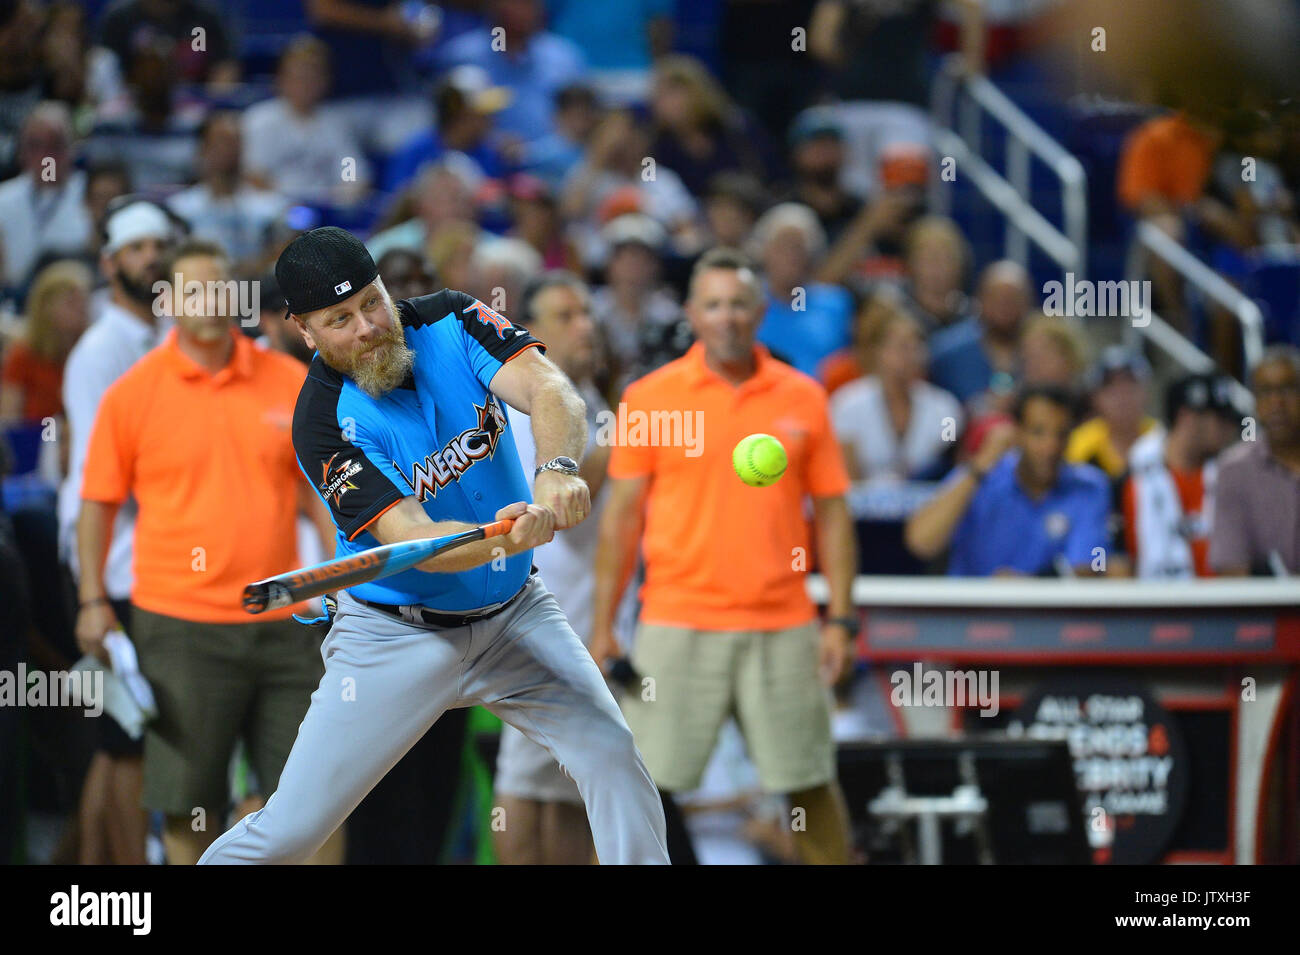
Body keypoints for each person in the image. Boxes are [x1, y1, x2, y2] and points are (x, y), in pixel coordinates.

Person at [197, 226, 668, 864]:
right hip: (395, 636)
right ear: (305, 332)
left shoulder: (449, 317)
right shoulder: (321, 423)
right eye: (339, 319)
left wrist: (556, 468)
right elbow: (419, 543)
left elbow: (548, 388)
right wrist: (503, 536)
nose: (367, 327)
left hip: (515, 616)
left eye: (371, 302)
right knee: (290, 832)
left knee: (611, 752)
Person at [590, 247, 858, 865]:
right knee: (644, 788)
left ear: (760, 311)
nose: (728, 317)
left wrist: (841, 619)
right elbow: (621, 521)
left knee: (810, 783)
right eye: (713, 304)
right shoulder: (651, 397)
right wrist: (605, 628)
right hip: (677, 618)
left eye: (739, 303)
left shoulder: (803, 395)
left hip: (783, 620)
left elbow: (836, 517)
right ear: (692, 313)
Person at [76, 239, 337, 866]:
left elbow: (325, 495)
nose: (213, 300)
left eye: (223, 286)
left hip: (287, 620)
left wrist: (344, 579)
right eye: (195, 289)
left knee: (314, 805)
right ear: (167, 301)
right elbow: (97, 502)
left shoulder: (289, 380)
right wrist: (90, 598)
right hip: (179, 625)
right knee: (189, 804)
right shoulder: (132, 394)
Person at [56, 198, 179, 865]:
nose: (151, 258)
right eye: (136, 249)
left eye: (159, 246)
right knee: (128, 735)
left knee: (120, 732)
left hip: (149, 555)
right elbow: (100, 473)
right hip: (112, 559)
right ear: (109, 264)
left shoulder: (163, 338)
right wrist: (92, 591)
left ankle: (83, 874)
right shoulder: (97, 353)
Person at [493, 272, 606, 864]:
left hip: (591, 616)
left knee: (570, 786)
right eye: (567, 316)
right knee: (521, 776)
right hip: (531, 613)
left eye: (587, 312)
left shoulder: (599, 403)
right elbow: (580, 498)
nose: (586, 326)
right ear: (531, 333)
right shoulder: (519, 409)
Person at [906, 385, 1112, 576]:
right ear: (1017, 432)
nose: (1051, 447)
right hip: (969, 611)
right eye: (1038, 432)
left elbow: (1090, 570)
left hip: (1045, 613)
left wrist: (1028, 589)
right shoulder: (981, 475)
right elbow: (921, 542)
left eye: (1061, 434)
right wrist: (980, 466)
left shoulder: (1088, 487)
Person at [830, 303, 962, 483]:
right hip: (863, 507)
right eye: (902, 347)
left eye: (917, 347)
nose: (911, 355)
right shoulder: (847, 404)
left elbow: (951, 468)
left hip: (932, 505)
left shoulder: (946, 408)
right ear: (878, 352)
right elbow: (847, 478)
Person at [1123, 373, 1238, 579]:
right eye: (1220, 420)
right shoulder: (1131, 478)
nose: (1229, 429)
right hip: (1154, 606)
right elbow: (1119, 563)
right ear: (1187, 418)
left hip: (1222, 605)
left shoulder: (1234, 478)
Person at [241, 37, 372, 207]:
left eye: (313, 76)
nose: (305, 83)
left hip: (325, 208)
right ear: (281, 78)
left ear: (325, 81)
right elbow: (253, 174)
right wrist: (288, 204)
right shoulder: (260, 119)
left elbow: (351, 172)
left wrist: (347, 191)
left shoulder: (336, 123)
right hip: (275, 206)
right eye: (298, 75)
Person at [437, 0, 586, 147]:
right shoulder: (462, 57)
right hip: (480, 163)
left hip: (552, 165)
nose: (523, 10)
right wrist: (493, 142)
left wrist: (537, 153)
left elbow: (580, 123)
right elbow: (448, 125)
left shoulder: (564, 57)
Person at [1211, 346, 1300, 575]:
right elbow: (1231, 571)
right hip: (1267, 609)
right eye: (1265, 392)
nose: (1276, 403)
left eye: (1288, 389)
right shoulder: (1234, 470)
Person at [167, 111, 288, 269]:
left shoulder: (269, 206)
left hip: (256, 288)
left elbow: (282, 254)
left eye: (235, 142)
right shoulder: (181, 208)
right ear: (203, 148)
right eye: (220, 141)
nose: (229, 149)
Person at [752, 202, 854, 377]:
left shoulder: (835, 304)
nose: (790, 256)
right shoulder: (748, 305)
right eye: (782, 247)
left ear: (811, 253)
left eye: (798, 247)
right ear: (763, 251)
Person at [0, 102, 91, 289]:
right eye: (35, 145)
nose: (46, 156)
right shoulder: (3, 199)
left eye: (54, 145)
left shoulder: (90, 194)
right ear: (21, 152)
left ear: (71, 148)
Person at [383, 65, 514, 195]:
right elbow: (397, 202)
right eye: (484, 113)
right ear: (459, 114)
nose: (492, 119)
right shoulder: (416, 151)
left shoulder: (491, 153)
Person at [928, 260, 1033, 404]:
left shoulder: (1045, 352)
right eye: (997, 298)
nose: (1005, 306)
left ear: (1027, 302)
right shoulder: (946, 351)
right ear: (980, 299)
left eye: (1012, 298)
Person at [0, 259, 90, 427]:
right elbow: (8, 424)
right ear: (46, 307)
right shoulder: (23, 356)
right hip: (33, 445)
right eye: (71, 302)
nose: (82, 309)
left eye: (84, 301)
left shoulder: (90, 353)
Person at [1066, 346, 1159, 481]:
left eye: (1130, 386)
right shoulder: (1078, 445)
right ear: (1095, 398)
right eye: (1111, 389)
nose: (1122, 397)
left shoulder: (1161, 439)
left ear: (1146, 392)